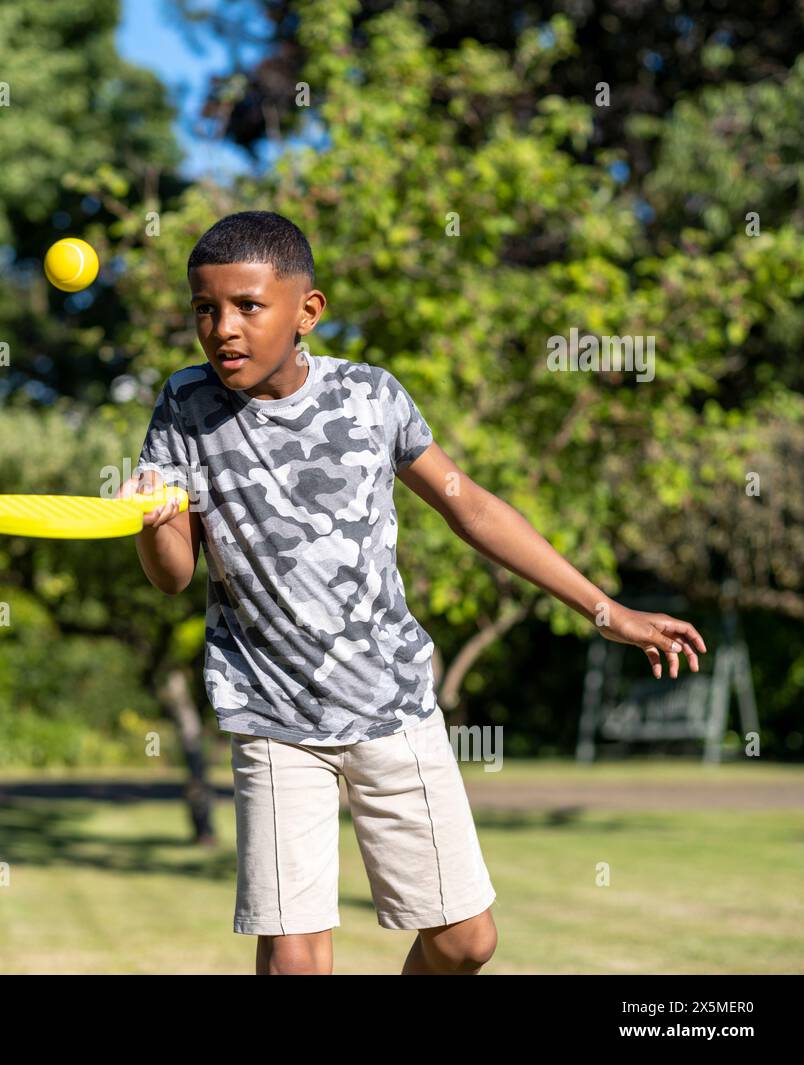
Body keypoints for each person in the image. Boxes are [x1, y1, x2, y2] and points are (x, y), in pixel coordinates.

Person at [120, 210, 706, 975]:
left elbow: (473, 507)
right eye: (205, 308)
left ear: (308, 310)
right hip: (271, 712)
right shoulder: (184, 406)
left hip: (393, 703)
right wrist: (149, 521)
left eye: (246, 306)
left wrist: (606, 607)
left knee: (466, 942)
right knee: (295, 961)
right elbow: (173, 574)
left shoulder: (371, 397)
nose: (222, 327)